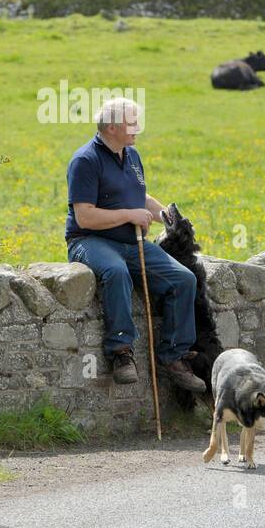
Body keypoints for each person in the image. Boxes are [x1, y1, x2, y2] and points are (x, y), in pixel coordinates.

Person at [64, 98, 204, 392]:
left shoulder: (131, 155)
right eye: (132, 122)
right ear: (112, 127)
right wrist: (129, 215)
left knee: (184, 279)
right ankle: (121, 352)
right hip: (90, 241)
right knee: (116, 273)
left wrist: (165, 215)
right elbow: (84, 216)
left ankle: (174, 356)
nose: (138, 127)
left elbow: (138, 196)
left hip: (131, 241)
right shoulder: (85, 161)